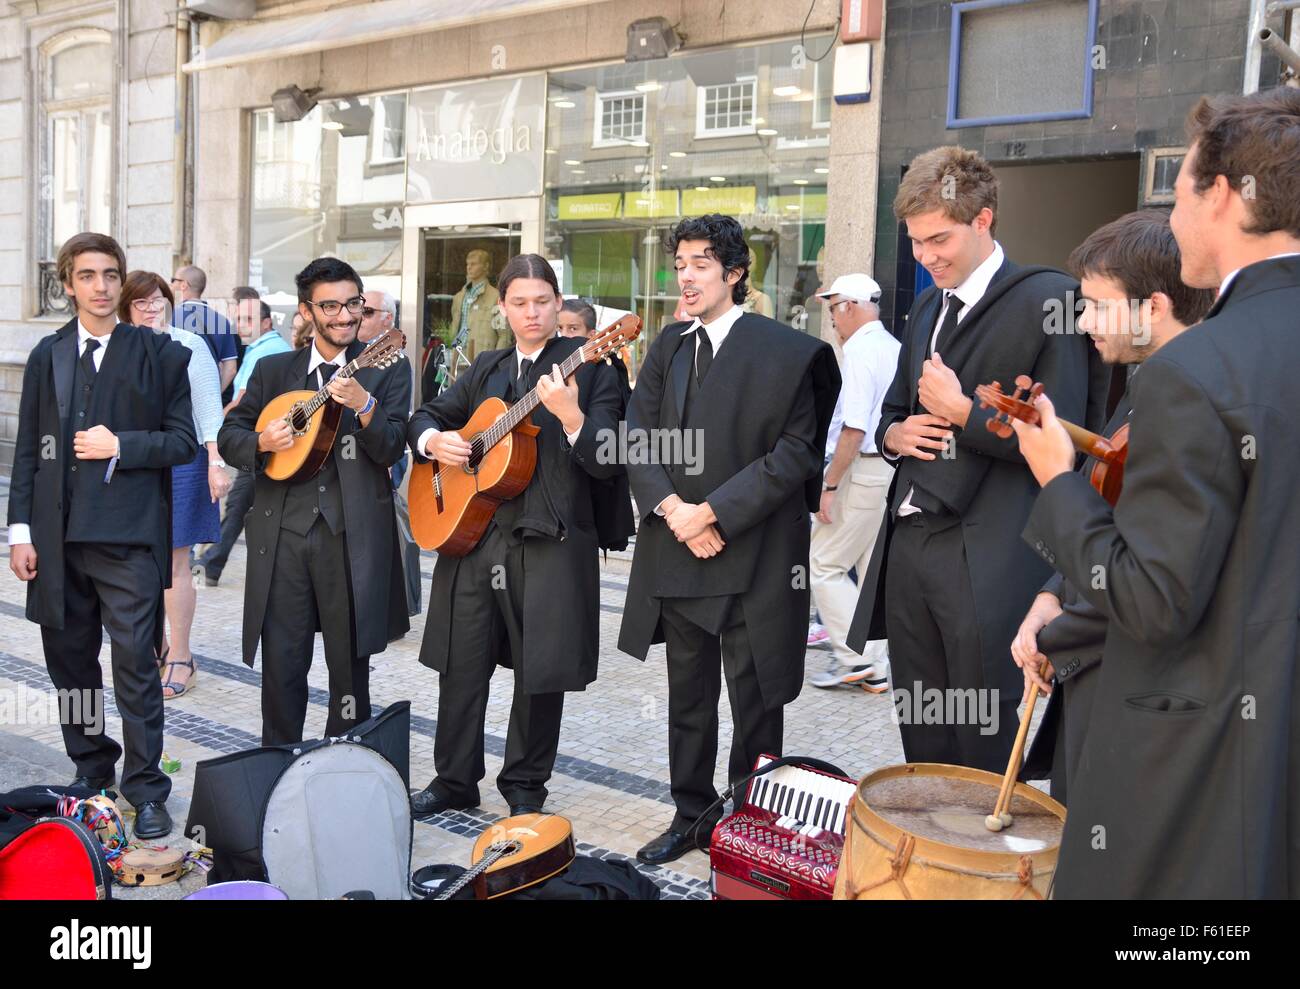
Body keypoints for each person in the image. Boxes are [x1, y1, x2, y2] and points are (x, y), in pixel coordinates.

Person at [1012, 88, 1300, 898]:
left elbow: (1153, 598)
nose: (1172, 223)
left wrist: (1058, 483)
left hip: (1198, 783)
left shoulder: (1196, 371)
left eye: (1177, 193)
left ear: (1224, 196)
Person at [845, 146, 1106, 775]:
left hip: (987, 554)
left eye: (941, 239)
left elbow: (1070, 442)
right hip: (909, 546)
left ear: (984, 220)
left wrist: (965, 414)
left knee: (982, 732)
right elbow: (892, 411)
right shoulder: (927, 307)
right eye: (915, 242)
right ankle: (932, 854)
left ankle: (985, 867)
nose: (927, 256)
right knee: (922, 726)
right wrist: (895, 434)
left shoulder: (1052, 300)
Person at [618, 216, 840, 865]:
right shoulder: (667, 345)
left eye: (700, 262)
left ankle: (749, 822)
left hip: (753, 558)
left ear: (735, 272)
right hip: (680, 554)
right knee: (688, 699)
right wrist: (672, 509)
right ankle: (690, 814)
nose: (685, 275)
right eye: (679, 262)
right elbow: (637, 433)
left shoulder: (786, 350)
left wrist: (712, 512)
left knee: (756, 703)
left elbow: (797, 450)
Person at [407, 254, 628, 817]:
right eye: (520, 303)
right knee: (462, 663)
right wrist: (435, 442)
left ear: (559, 303)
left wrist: (573, 418)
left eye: (543, 301)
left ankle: (526, 785)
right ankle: (454, 778)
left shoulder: (595, 369)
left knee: (541, 670)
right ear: (502, 308)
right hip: (475, 536)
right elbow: (426, 414)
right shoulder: (487, 366)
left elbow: (610, 458)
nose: (532, 313)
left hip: (548, 539)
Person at [1014, 211, 1212, 806]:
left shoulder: (1186, 399)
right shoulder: (1148, 385)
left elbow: (1155, 580)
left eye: (1098, 305)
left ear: (1152, 307)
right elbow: (1109, 521)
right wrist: (1051, 596)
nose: (1082, 320)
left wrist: (1053, 476)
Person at [9, 233, 197, 839]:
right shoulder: (48, 355)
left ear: (122, 282)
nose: (101, 286)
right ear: (68, 284)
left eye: (110, 275)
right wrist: (19, 533)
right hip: (57, 543)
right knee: (70, 669)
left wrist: (123, 446)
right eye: (87, 276)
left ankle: (145, 788)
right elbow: (27, 456)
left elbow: (182, 442)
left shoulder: (159, 353)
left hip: (128, 541)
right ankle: (92, 771)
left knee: (136, 667)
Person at [218, 258, 411, 745]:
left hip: (351, 539)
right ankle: (279, 763)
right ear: (307, 311)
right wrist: (263, 442)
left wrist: (364, 405)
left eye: (353, 304)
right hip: (282, 537)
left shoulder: (388, 366)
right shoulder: (272, 369)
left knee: (350, 669)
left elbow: (391, 447)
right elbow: (230, 436)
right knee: (282, 663)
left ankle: (344, 768)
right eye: (330, 306)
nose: (345, 316)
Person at [118, 271, 231, 699]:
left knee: (174, 562)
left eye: (158, 300)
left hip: (183, 461)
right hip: (132, 461)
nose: (151, 308)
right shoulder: (118, 347)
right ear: (127, 307)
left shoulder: (188, 343)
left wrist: (216, 463)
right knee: (138, 562)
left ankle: (182, 657)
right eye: (141, 302)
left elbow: (207, 407)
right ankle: (157, 648)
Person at [807, 273, 898, 691]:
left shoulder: (861, 351)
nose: (833, 321)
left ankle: (855, 658)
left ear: (849, 306)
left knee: (824, 564)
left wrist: (829, 485)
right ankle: (875, 665)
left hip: (862, 469)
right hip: (888, 471)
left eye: (832, 310)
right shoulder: (892, 346)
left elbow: (854, 428)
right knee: (866, 570)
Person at [196, 298, 292, 587]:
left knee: (240, 504)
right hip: (261, 443)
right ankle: (212, 562)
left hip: (268, 444)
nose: (240, 326)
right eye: (238, 319)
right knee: (240, 504)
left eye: (248, 320)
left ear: (266, 323)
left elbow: (242, 401)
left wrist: (214, 422)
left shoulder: (270, 351)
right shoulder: (257, 349)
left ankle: (212, 562)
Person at [359, 288, 421, 617]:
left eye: (366, 311)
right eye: (356, 308)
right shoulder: (349, 353)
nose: (357, 316)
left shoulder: (394, 359)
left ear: (387, 320)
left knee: (383, 532)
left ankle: (392, 606)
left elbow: (397, 419)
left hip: (384, 453)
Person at [171, 265, 239, 403]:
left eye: (174, 280)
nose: (171, 284)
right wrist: (213, 394)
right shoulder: (222, 321)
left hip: (177, 397)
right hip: (208, 396)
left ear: (183, 285)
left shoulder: (169, 317)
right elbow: (231, 368)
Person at [451, 249, 511, 362]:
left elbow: (504, 336)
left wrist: (495, 362)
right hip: (458, 358)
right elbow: (454, 330)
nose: (469, 267)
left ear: (485, 266)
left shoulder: (495, 297)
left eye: (473, 264)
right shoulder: (459, 297)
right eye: (467, 264)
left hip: (483, 361)